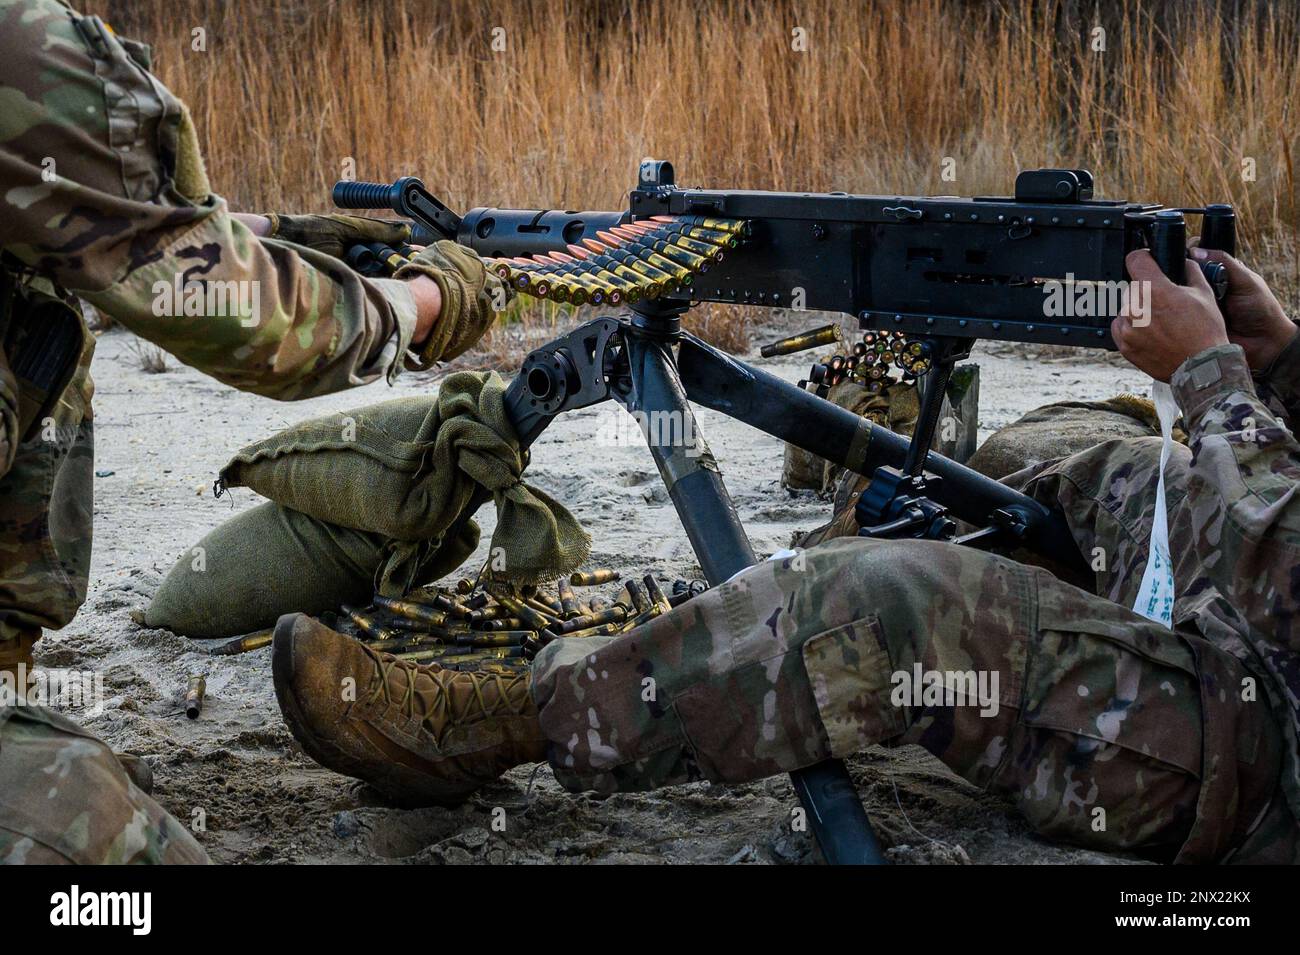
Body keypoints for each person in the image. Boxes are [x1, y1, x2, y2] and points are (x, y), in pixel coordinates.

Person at [274, 247, 1300, 863]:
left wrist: (1212, 381)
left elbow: (1275, 571)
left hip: (1261, 755)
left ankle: (492, 726)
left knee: (890, 606)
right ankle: (772, 630)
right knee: (1090, 476)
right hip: (1257, 648)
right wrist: (1281, 364)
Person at [0, 0, 506, 863]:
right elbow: (254, 326)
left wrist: (276, 237)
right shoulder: (19, 46)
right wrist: (423, 305)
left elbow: (87, 225)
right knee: (119, 853)